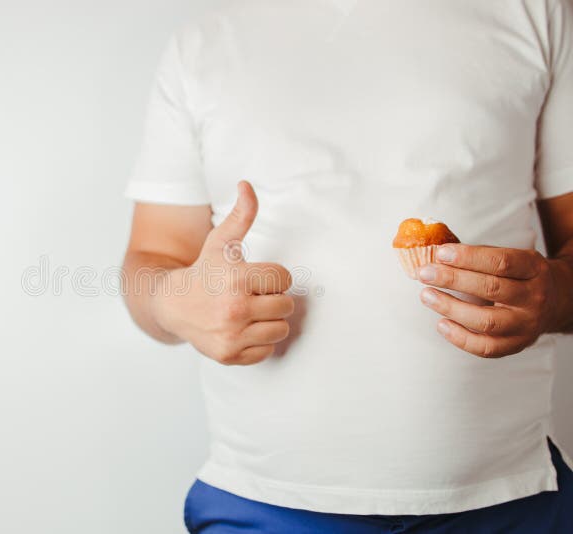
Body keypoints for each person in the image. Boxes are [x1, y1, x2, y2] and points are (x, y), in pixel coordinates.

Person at [121, 1, 573, 532]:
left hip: (509, 498)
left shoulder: (537, 12)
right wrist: (174, 302)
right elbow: (149, 263)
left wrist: (556, 294)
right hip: (263, 501)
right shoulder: (202, 42)